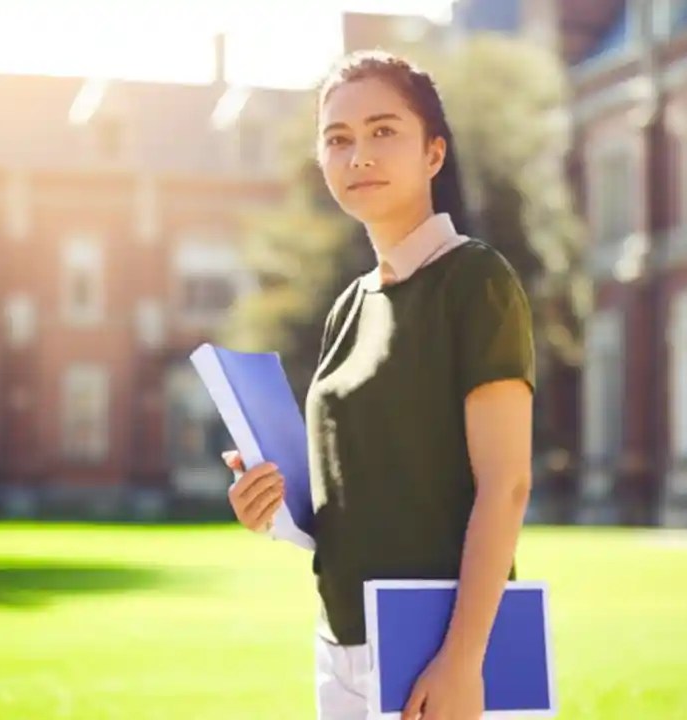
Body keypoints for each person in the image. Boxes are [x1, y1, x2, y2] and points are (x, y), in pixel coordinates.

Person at [224, 50, 535, 720]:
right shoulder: (349, 307)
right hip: (341, 642)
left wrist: (461, 660)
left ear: (433, 153)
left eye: (383, 131)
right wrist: (270, 506)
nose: (358, 154)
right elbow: (351, 499)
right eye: (338, 139)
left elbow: (505, 485)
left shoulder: (475, 282)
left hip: (439, 650)